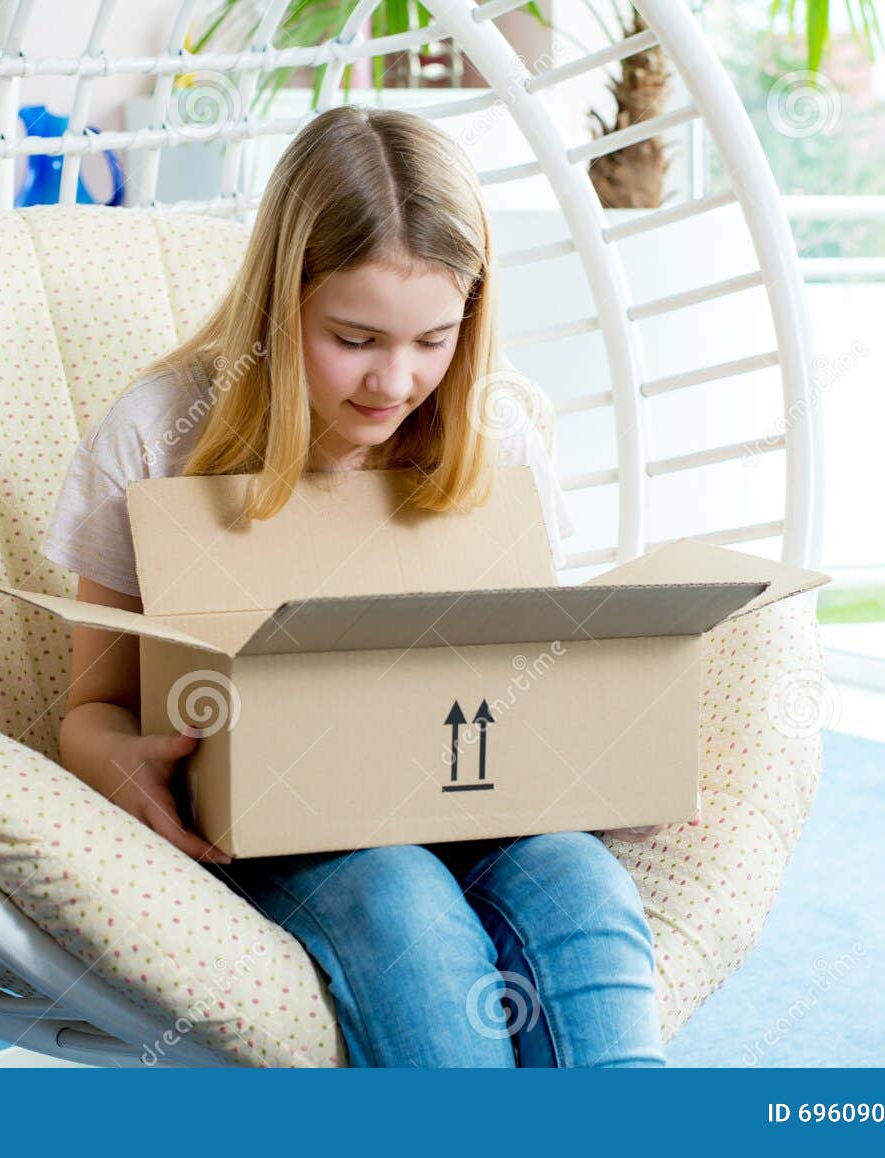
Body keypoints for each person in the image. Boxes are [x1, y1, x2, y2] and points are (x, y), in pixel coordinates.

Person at [42, 105, 664, 1068]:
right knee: (398, 895)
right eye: (355, 337)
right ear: (279, 300)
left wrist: (601, 749)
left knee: (580, 881)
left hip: (474, 803)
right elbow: (91, 707)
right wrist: (131, 770)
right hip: (288, 831)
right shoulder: (163, 435)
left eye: (433, 339)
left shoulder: (493, 434)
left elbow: (533, 681)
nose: (396, 380)